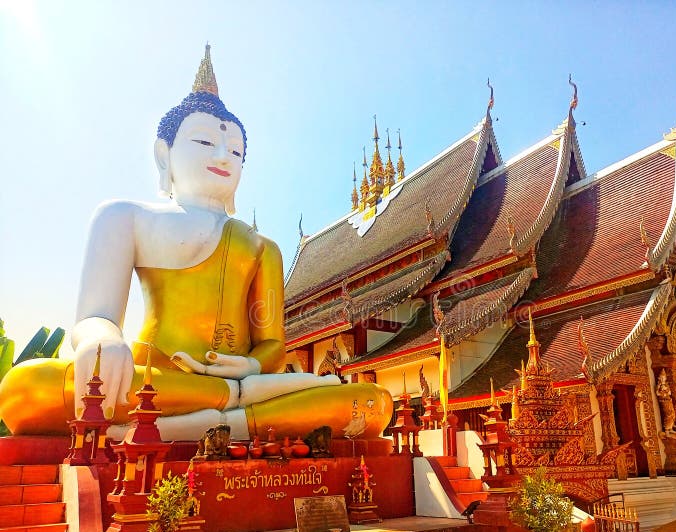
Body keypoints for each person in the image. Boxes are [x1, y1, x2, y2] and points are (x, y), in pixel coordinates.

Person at [0, 46, 391, 441]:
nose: (224, 156)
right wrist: (102, 340)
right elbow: (94, 317)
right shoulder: (125, 217)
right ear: (163, 156)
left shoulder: (260, 247)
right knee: (25, 391)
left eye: (236, 151)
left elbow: (272, 345)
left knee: (371, 402)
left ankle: (186, 423)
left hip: (242, 388)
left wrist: (251, 369)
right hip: (155, 378)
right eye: (205, 143)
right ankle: (228, 412)